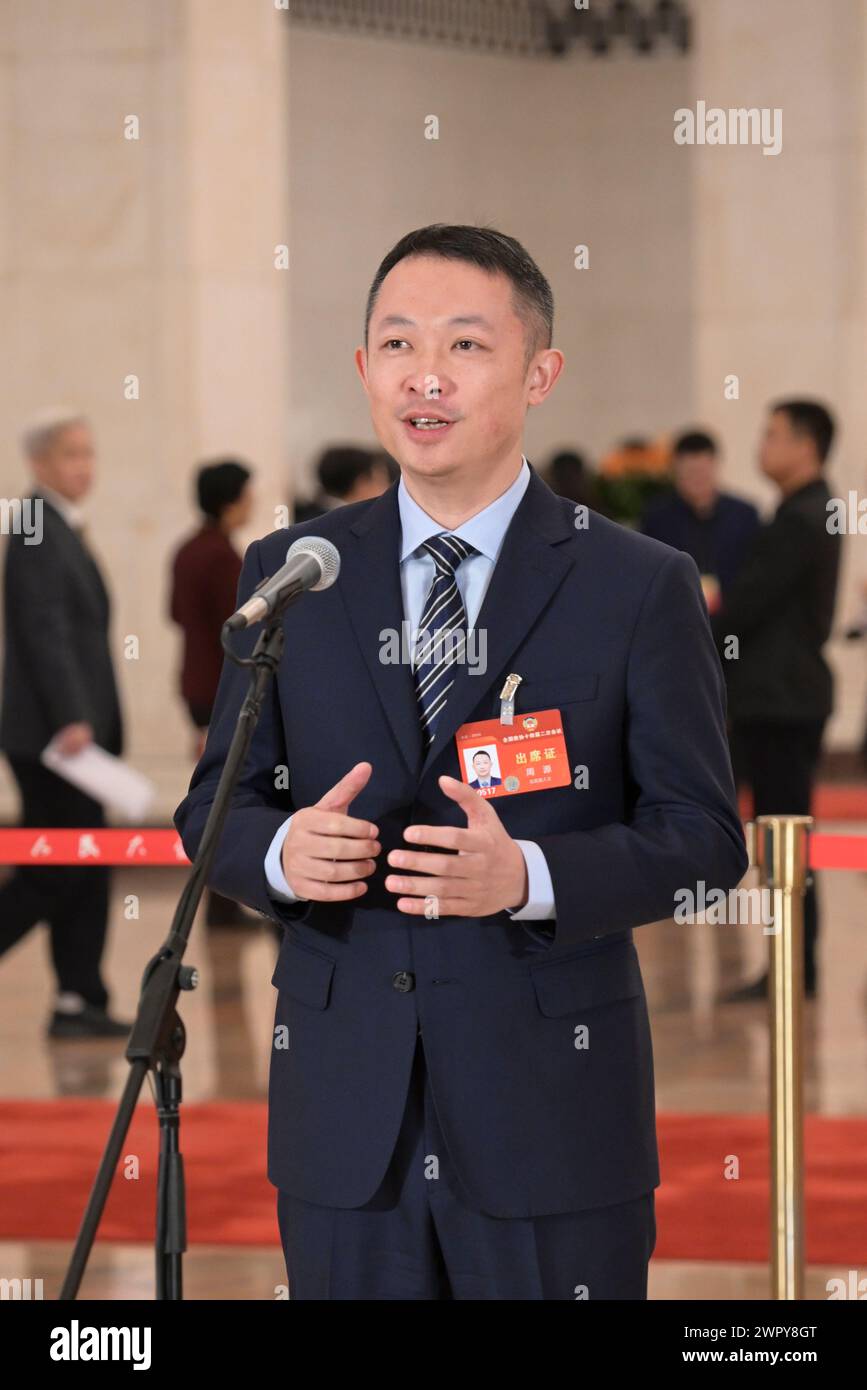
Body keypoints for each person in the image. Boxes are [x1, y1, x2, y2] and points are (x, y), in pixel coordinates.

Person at [175, 223, 747, 1300]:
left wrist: (529, 878)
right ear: (363, 371)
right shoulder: (297, 570)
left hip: (552, 1118)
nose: (424, 377)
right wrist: (289, 851)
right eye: (396, 345)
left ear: (540, 372)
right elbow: (218, 808)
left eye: (465, 346)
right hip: (348, 1127)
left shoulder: (636, 582)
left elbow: (706, 840)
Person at [0, 408, 129, 1038]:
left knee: (86, 866)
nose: (84, 466)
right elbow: (43, 629)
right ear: (40, 462)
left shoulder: (61, 525)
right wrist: (74, 716)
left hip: (73, 735)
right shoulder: (34, 526)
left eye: (88, 452)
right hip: (54, 737)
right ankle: (79, 996)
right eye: (71, 454)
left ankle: (80, 1000)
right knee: (56, 869)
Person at [710, 400, 841, 1002]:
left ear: (806, 446)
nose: (762, 446)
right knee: (781, 834)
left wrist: (707, 608)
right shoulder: (808, 509)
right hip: (788, 697)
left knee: (784, 837)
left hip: (782, 701)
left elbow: (748, 608)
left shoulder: (799, 517)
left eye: (772, 435)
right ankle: (793, 963)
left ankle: (795, 965)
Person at [169, 459, 253, 927]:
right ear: (230, 501)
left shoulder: (186, 549)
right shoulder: (222, 556)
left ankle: (221, 903)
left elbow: (175, 613)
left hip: (194, 683)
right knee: (227, 791)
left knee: (214, 786)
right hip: (221, 685)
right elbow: (239, 626)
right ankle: (222, 901)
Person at [640, 430, 760, 613]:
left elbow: (754, 574)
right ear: (676, 470)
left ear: (715, 466)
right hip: (677, 614)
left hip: (735, 618)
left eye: (703, 471)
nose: (697, 479)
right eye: (690, 472)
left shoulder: (744, 515)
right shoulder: (657, 517)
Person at [293, 445, 392, 522]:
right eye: (381, 481)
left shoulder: (308, 517)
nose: (387, 489)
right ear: (361, 484)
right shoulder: (345, 524)